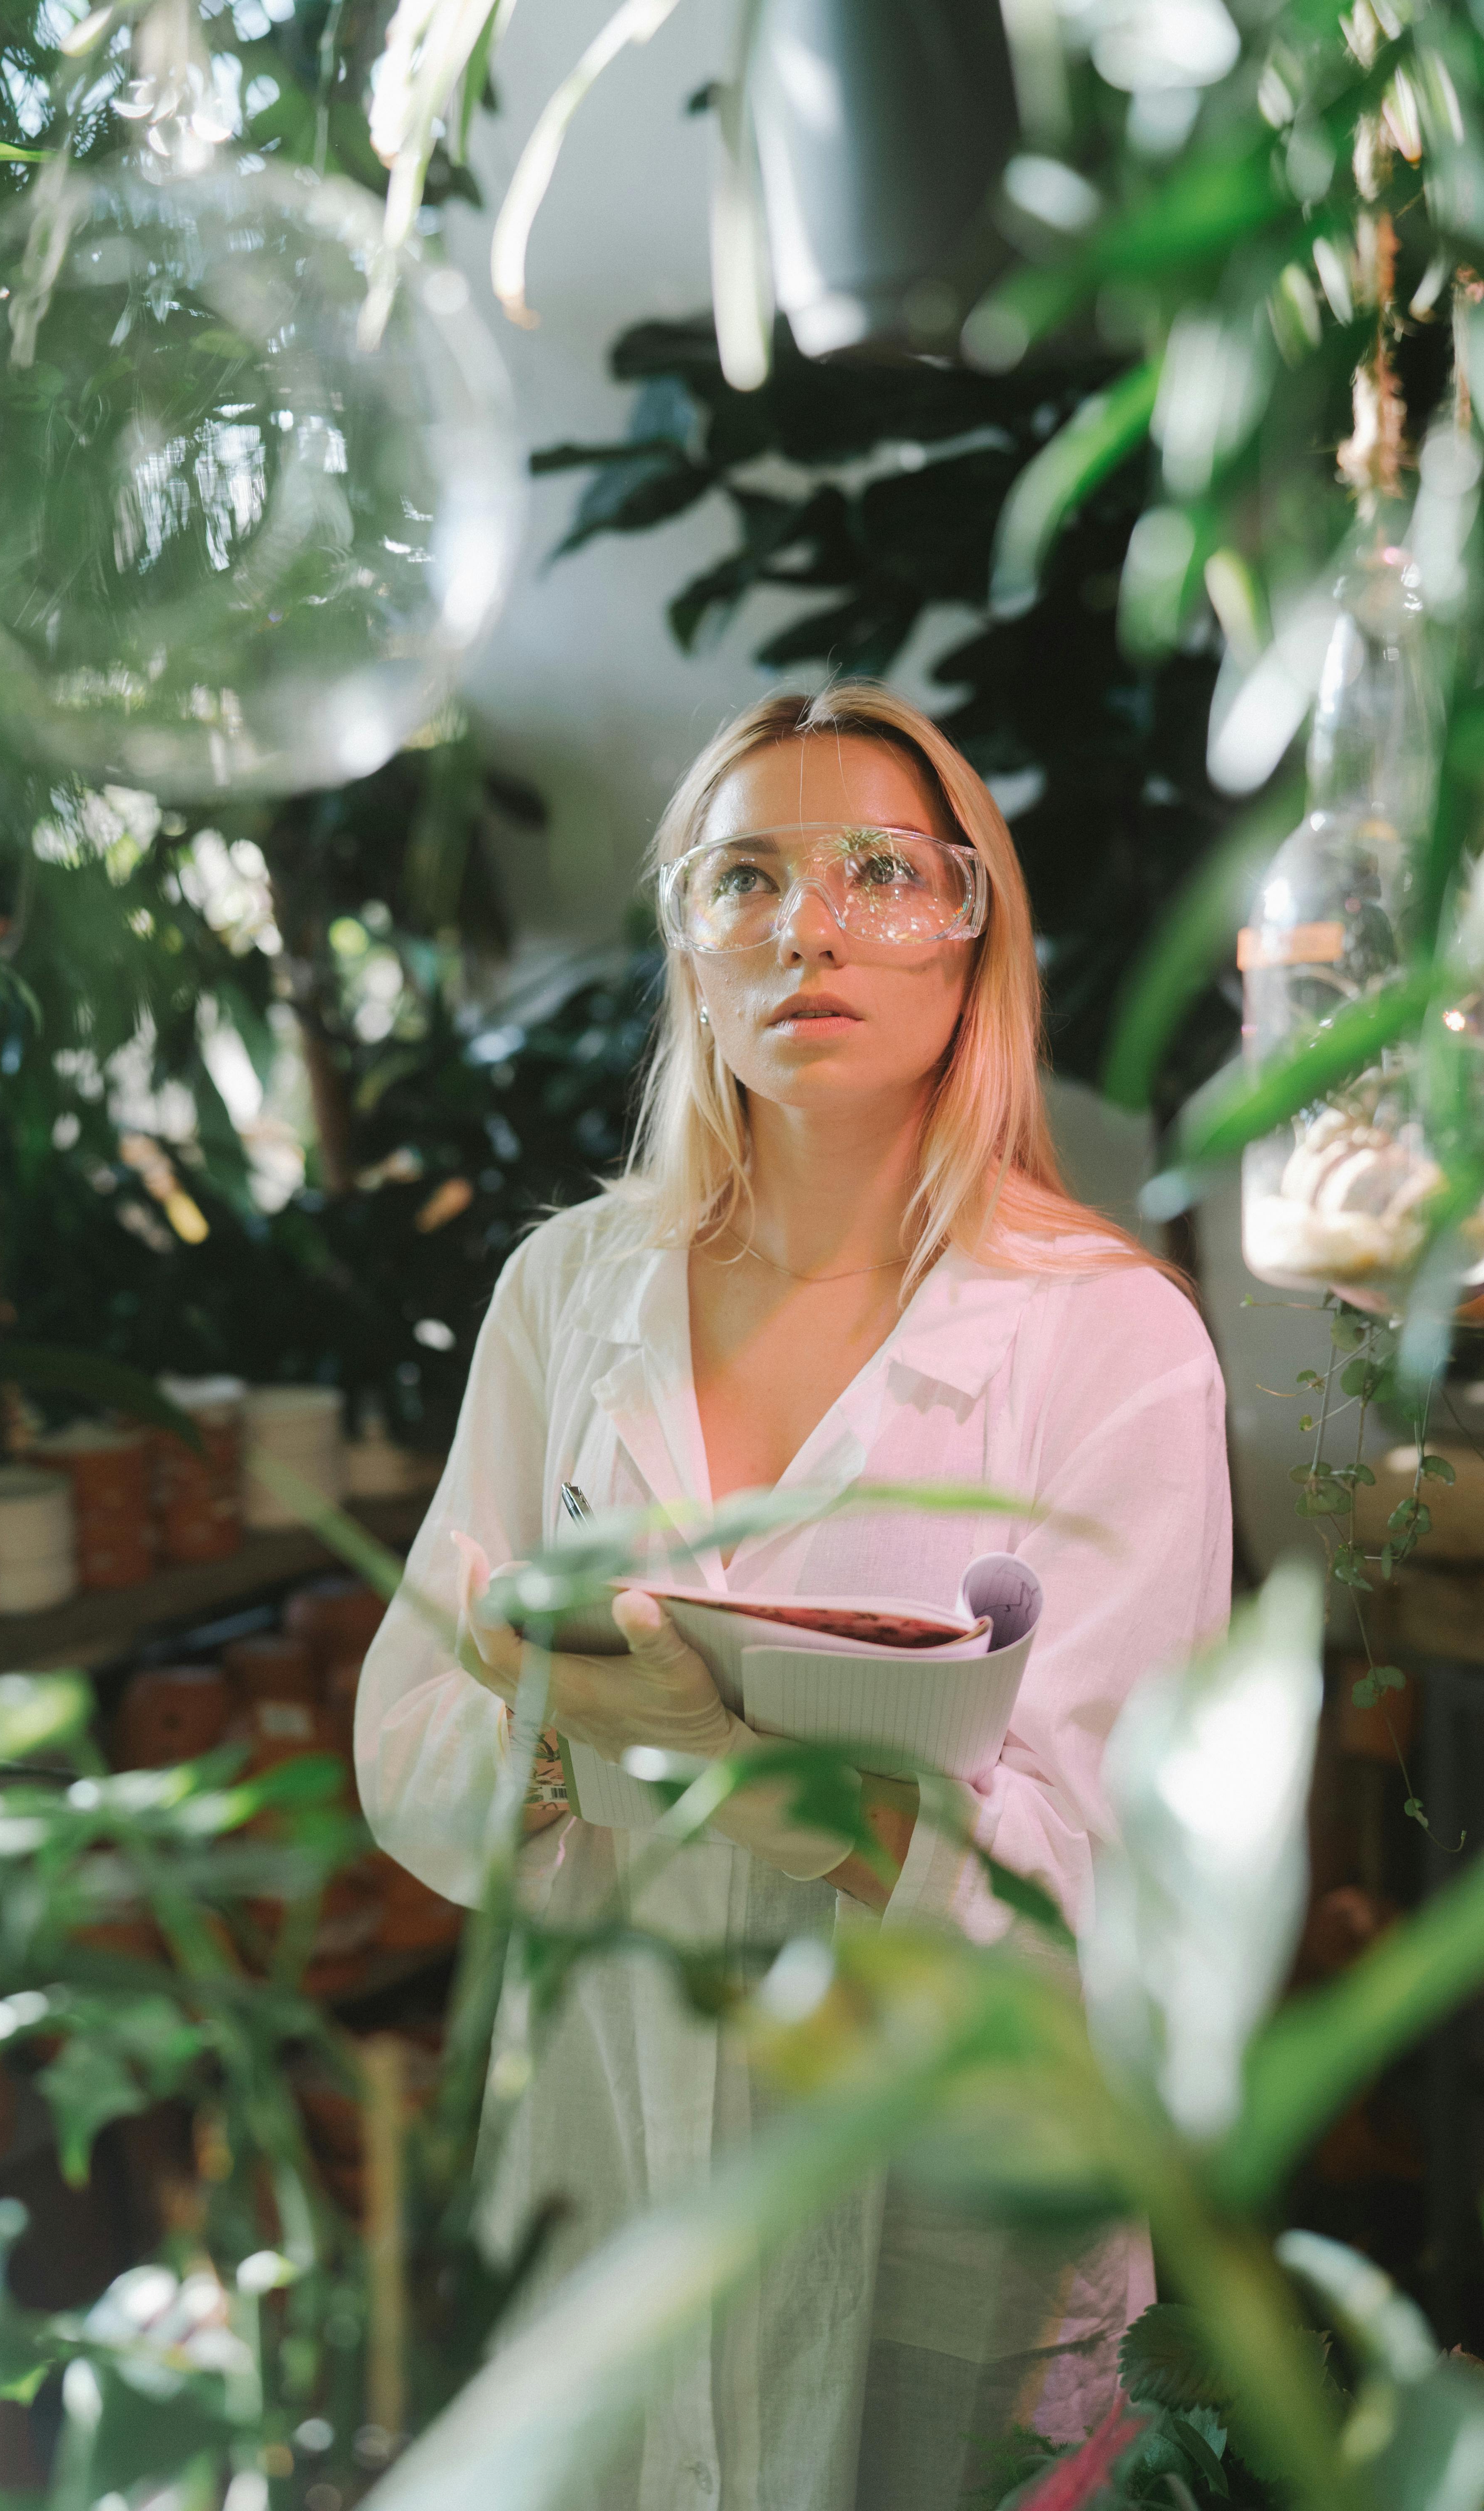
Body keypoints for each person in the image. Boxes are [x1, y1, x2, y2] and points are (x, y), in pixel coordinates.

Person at [355, 681, 1232, 2510]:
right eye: (742, 877)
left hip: (943, 2217)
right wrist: (542, 1723)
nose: (807, 926)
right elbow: (417, 1733)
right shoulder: (570, 1291)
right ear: (685, 935)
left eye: (877, 875)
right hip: (605, 2172)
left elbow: (1137, 1903)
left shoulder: (1106, 1342)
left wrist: (716, 1757)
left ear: (971, 930)